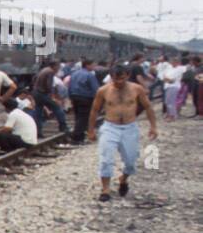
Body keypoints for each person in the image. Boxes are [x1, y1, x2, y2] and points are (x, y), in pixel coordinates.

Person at [89, 64, 158, 202]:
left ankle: (123, 178)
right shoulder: (103, 90)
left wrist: (153, 126)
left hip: (129, 128)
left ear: (127, 76)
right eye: (115, 79)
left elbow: (148, 107)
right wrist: (90, 130)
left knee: (131, 161)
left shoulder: (136, 89)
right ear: (111, 77)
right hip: (110, 127)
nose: (118, 82)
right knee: (106, 159)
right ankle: (105, 189)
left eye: (121, 78)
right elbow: (95, 110)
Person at [31, 60, 68, 139]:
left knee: (38, 113)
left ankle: (38, 132)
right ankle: (63, 127)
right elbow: (49, 85)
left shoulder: (44, 70)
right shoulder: (50, 72)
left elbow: (34, 79)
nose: (59, 68)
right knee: (57, 108)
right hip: (42, 94)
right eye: (58, 66)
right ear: (54, 66)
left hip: (36, 93)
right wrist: (52, 96)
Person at [67, 58, 98, 144]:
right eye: (93, 64)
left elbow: (69, 86)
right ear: (87, 65)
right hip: (85, 98)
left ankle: (80, 136)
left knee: (78, 117)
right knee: (83, 118)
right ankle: (76, 138)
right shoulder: (90, 75)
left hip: (74, 97)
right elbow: (95, 89)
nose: (94, 66)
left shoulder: (74, 74)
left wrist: (70, 97)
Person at [161, 56, 186, 121]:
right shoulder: (169, 68)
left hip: (173, 86)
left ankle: (172, 115)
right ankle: (169, 114)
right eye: (172, 62)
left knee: (171, 102)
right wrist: (166, 79)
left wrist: (167, 79)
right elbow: (164, 77)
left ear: (178, 63)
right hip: (167, 86)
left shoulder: (179, 69)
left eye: (175, 62)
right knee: (167, 101)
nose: (173, 63)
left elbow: (172, 80)